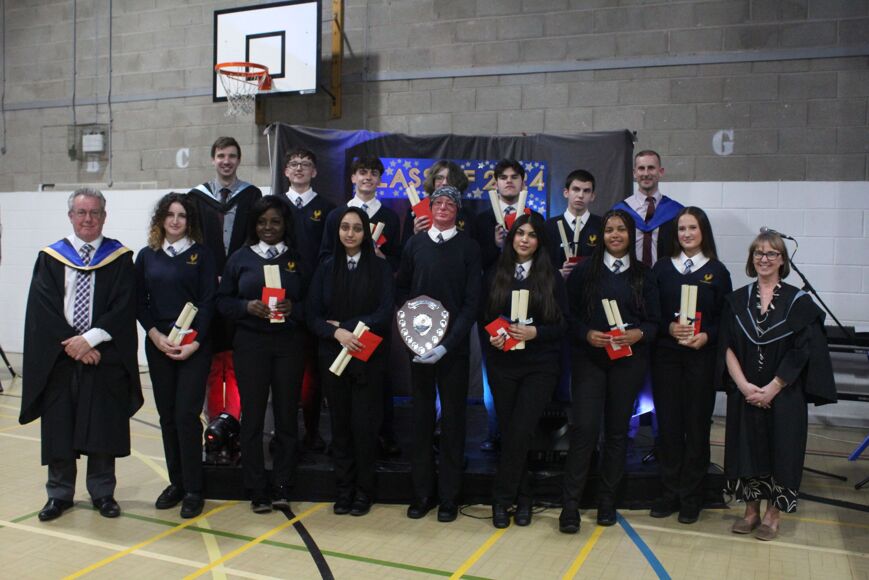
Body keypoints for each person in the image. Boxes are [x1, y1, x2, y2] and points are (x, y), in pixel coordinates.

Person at [21, 188, 142, 522]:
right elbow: (42, 309)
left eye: (94, 213)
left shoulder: (118, 257)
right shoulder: (51, 257)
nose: (88, 219)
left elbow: (122, 306)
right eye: (81, 212)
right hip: (61, 357)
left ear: (104, 216)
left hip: (103, 355)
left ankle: (103, 492)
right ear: (70, 216)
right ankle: (59, 494)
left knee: (103, 424)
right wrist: (73, 344)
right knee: (60, 425)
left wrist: (89, 340)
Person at [718, 231, 836, 541]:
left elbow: (804, 349)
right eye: (758, 253)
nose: (764, 259)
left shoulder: (799, 302)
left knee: (782, 448)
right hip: (745, 391)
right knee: (746, 447)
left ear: (782, 260)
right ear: (751, 258)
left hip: (784, 393)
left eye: (771, 253)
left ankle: (774, 513)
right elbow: (726, 345)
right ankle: (751, 509)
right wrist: (744, 386)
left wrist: (773, 387)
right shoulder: (737, 300)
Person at [560, 209, 660, 534]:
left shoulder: (644, 275)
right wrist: (587, 334)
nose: (615, 235)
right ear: (601, 236)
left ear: (631, 235)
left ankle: (607, 501)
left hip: (628, 364)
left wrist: (639, 334)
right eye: (609, 230)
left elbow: (655, 323)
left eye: (621, 230)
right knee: (584, 430)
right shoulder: (584, 271)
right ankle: (571, 506)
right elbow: (568, 316)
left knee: (617, 433)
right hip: (590, 361)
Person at [216, 196, 307, 513]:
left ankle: (282, 484)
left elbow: (315, 305)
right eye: (262, 222)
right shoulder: (240, 259)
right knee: (252, 416)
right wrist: (245, 307)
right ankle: (256, 488)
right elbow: (222, 302)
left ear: (285, 225)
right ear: (253, 225)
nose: (269, 227)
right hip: (251, 345)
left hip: (289, 346)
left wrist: (294, 308)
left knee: (285, 417)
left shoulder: (297, 258)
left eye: (275, 221)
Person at [397, 185, 481, 523]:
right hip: (418, 348)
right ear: (429, 208)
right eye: (438, 202)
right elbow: (401, 289)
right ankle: (422, 494)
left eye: (450, 203)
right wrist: (410, 332)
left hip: (454, 350)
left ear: (458, 211)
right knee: (420, 421)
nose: (444, 207)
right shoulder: (414, 245)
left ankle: (449, 497)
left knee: (454, 422)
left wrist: (448, 343)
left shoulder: (469, 248)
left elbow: (472, 302)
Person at [307, 207, 394, 516]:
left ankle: (363, 492)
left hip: (368, 359)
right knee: (341, 428)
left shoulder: (381, 268)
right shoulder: (326, 267)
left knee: (365, 428)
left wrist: (344, 327)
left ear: (365, 232)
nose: (350, 233)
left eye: (357, 228)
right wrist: (337, 334)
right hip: (334, 358)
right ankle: (343, 491)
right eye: (345, 227)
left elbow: (385, 314)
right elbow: (312, 316)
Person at [135, 193, 217, 518]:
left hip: (194, 347)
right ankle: (177, 483)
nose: (175, 220)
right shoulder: (147, 256)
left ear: (189, 221)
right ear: (161, 219)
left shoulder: (202, 255)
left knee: (186, 415)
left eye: (182, 215)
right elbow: (139, 302)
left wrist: (194, 343)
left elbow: (209, 302)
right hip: (159, 347)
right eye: (170, 214)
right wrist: (155, 336)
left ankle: (195, 489)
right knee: (167, 417)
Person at [483, 214, 567, 528]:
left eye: (532, 235)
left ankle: (501, 501)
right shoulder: (494, 273)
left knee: (520, 430)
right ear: (511, 237)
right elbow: (483, 318)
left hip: (540, 366)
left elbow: (563, 324)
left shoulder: (552, 278)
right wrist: (493, 336)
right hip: (502, 366)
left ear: (540, 241)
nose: (524, 240)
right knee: (512, 434)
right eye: (520, 234)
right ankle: (525, 497)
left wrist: (536, 334)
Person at [650, 207, 732, 524]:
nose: (686, 234)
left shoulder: (717, 271)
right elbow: (651, 314)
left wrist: (707, 336)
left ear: (703, 232)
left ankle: (691, 497)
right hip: (667, 358)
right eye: (681, 229)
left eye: (692, 228)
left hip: (700, 358)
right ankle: (669, 492)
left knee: (696, 428)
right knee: (669, 428)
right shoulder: (661, 270)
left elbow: (725, 319)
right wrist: (668, 329)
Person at [188, 137, 262, 427]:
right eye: (221, 155)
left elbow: (255, 239)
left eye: (232, 156)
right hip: (206, 288)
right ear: (213, 159)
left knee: (234, 360)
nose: (226, 161)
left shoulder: (252, 195)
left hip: (238, 289)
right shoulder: (196, 198)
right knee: (210, 360)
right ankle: (213, 423)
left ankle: (232, 421)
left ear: (239, 160)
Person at [281, 147, 335, 453]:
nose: (299, 168)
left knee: (315, 374)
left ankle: (313, 432)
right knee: (286, 373)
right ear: (286, 171)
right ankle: (284, 433)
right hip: (282, 301)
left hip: (315, 303)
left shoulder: (327, 208)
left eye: (306, 164)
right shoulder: (275, 206)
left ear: (315, 172)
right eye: (294, 164)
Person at [319, 156, 401, 271]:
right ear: (353, 178)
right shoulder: (336, 215)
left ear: (379, 181)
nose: (368, 177)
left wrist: (381, 257)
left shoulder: (391, 217)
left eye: (374, 173)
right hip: (342, 283)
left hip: (376, 283)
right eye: (363, 172)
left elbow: (396, 261)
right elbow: (325, 257)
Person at [612, 150, 683, 267]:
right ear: (634, 173)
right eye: (641, 168)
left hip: (664, 277)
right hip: (629, 276)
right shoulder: (619, 212)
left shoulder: (676, 211)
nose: (646, 173)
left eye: (651, 168)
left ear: (661, 172)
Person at [400, 159, 476, 245]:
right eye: (440, 178)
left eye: (450, 179)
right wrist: (415, 233)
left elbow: (475, 249)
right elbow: (403, 252)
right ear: (433, 182)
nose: (444, 183)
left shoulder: (468, 214)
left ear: (457, 183)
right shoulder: (415, 211)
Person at [544, 169, 602, 279]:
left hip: (591, 292)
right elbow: (541, 266)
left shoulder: (602, 225)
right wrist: (560, 273)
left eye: (586, 191)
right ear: (566, 193)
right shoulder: (549, 226)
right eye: (576, 189)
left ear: (592, 196)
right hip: (559, 292)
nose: (580, 195)